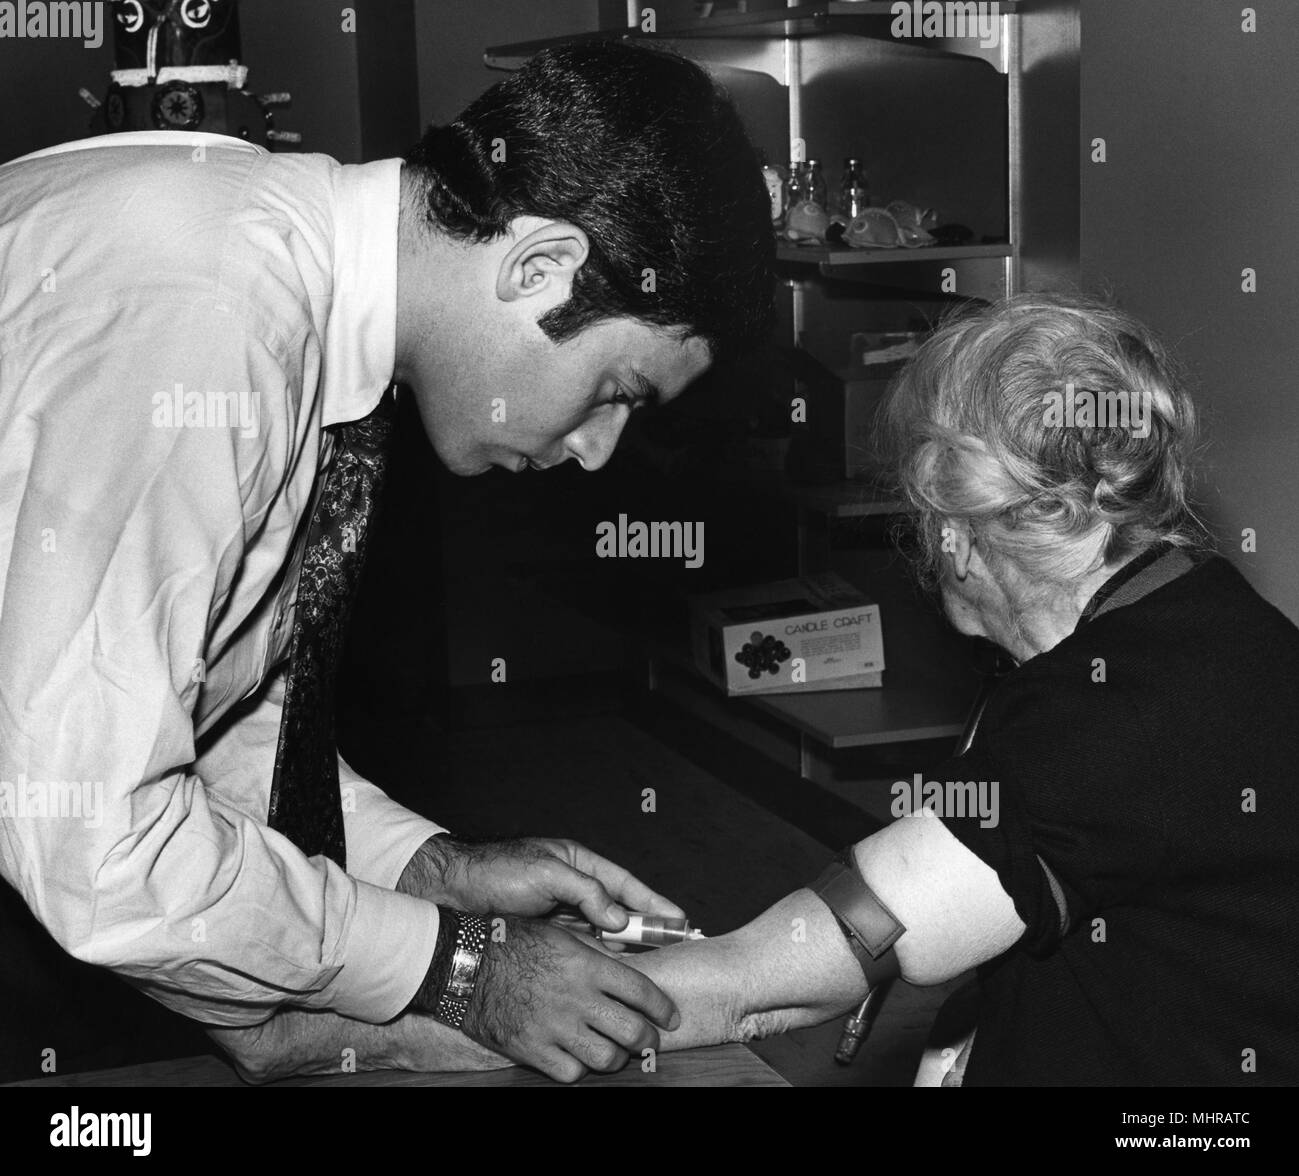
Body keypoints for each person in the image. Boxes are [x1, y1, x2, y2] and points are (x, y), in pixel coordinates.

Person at [222, 294, 1299, 1086]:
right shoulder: (1202, 626)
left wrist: (354, 1027)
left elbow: (763, 981)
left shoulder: (1105, 717)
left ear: (949, 534)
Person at [0, 41, 773, 1084]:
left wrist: (429, 869)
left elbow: (173, 717)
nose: (595, 451)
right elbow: (97, 843)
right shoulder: (210, 311)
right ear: (538, 265)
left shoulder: (277, 289)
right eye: (619, 391)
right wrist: (462, 969)